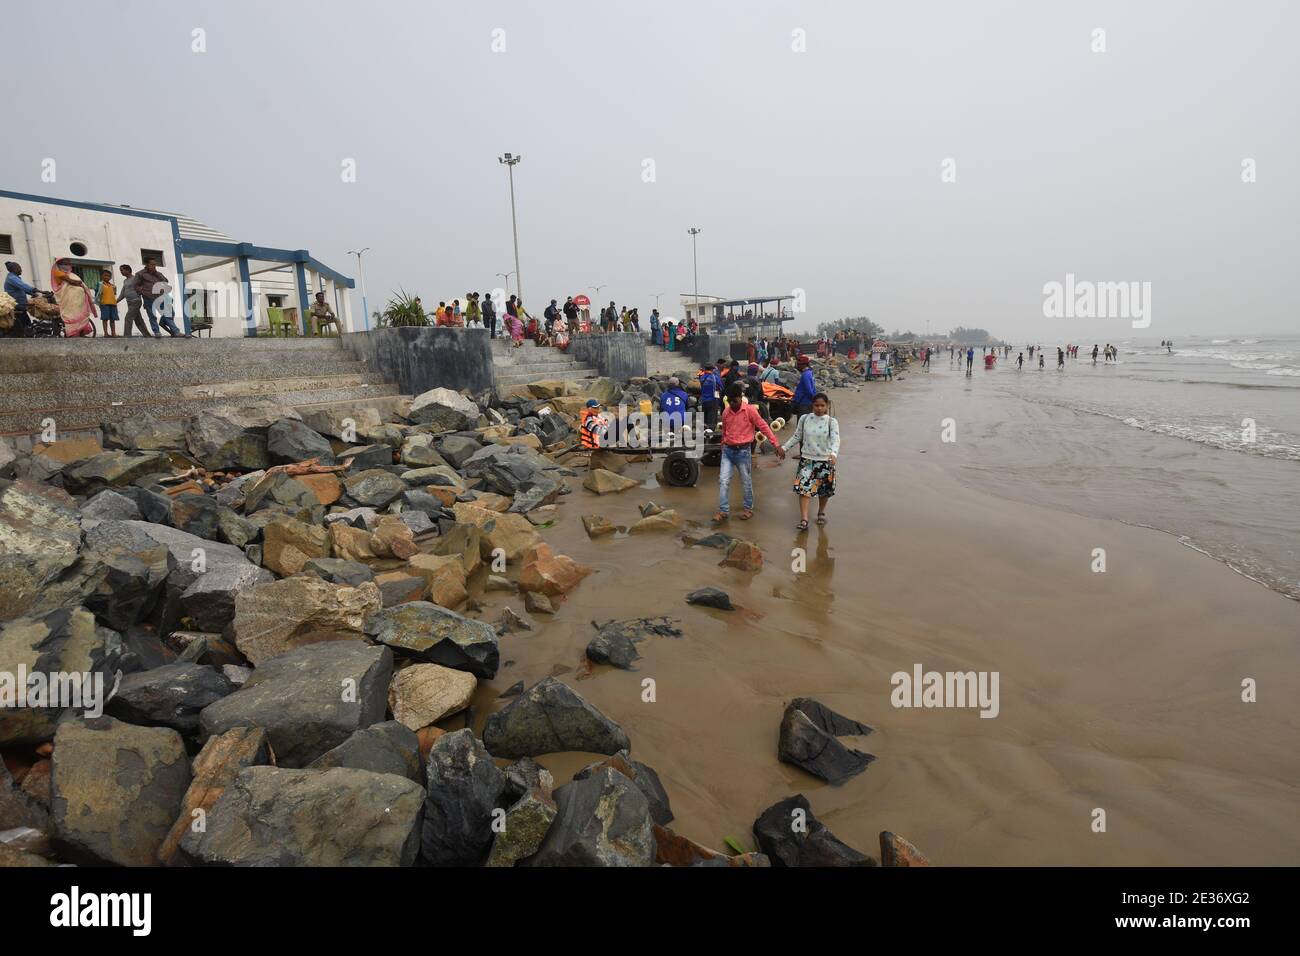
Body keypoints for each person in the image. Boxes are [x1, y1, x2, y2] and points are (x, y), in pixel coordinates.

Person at [714, 383, 784, 522]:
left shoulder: (750, 410)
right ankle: (723, 511)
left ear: (741, 397)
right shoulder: (726, 412)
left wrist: (776, 444)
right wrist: (723, 443)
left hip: (743, 452)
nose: (732, 404)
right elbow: (725, 430)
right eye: (730, 401)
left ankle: (748, 509)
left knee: (746, 482)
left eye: (735, 401)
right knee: (723, 481)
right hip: (728, 451)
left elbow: (763, 426)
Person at [782, 392, 839, 530]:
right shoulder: (805, 418)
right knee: (804, 490)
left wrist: (833, 453)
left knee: (824, 491)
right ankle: (804, 519)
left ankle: (821, 512)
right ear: (812, 405)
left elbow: (835, 439)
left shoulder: (832, 422)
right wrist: (784, 448)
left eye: (822, 405)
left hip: (825, 461)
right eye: (816, 405)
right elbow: (797, 436)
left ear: (827, 406)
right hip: (807, 460)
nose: (819, 408)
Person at [50, 259, 97, 337]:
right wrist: (78, 283)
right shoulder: (58, 273)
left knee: (80, 315)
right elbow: (72, 281)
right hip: (68, 298)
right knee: (71, 315)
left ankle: (80, 332)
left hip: (77, 301)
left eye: (67, 264)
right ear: (58, 264)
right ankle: (73, 333)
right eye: (64, 264)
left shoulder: (70, 274)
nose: (66, 265)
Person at [137, 258, 182, 336]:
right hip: (149, 298)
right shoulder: (140, 274)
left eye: (155, 264)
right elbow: (136, 285)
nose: (154, 266)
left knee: (169, 313)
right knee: (152, 316)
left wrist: (157, 273)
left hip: (161, 297)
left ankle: (176, 331)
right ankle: (157, 332)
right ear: (147, 264)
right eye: (151, 264)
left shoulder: (158, 274)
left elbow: (165, 281)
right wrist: (142, 292)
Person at [3, 261, 37, 337]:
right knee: (25, 326)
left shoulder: (14, 278)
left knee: (27, 324)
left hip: (21, 307)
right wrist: (37, 290)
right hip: (17, 307)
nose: (21, 270)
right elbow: (23, 286)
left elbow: (23, 289)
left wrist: (33, 294)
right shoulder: (12, 278)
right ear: (14, 269)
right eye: (19, 268)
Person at [116, 264, 151, 337]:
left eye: (122, 270)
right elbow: (123, 293)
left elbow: (142, 289)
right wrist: (116, 301)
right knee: (138, 320)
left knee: (128, 318)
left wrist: (146, 301)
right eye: (120, 270)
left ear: (128, 270)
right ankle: (147, 335)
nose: (121, 272)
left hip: (136, 301)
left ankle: (127, 336)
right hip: (129, 303)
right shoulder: (125, 281)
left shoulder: (135, 279)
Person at [698, 363, 722, 428]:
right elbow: (721, 387)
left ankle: (705, 433)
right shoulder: (715, 377)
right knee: (712, 420)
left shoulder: (702, 378)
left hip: (704, 401)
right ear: (712, 369)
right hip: (713, 401)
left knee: (705, 420)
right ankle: (711, 434)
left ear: (705, 369)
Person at [97, 269, 118, 336]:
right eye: (105, 275)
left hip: (113, 303)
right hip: (104, 303)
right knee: (105, 319)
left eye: (108, 276)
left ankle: (113, 333)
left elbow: (114, 294)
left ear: (110, 277)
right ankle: (106, 333)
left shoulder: (113, 286)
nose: (107, 277)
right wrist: (99, 303)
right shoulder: (100, 284)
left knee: (113, 319)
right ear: (102, 276)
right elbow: (97, 294)